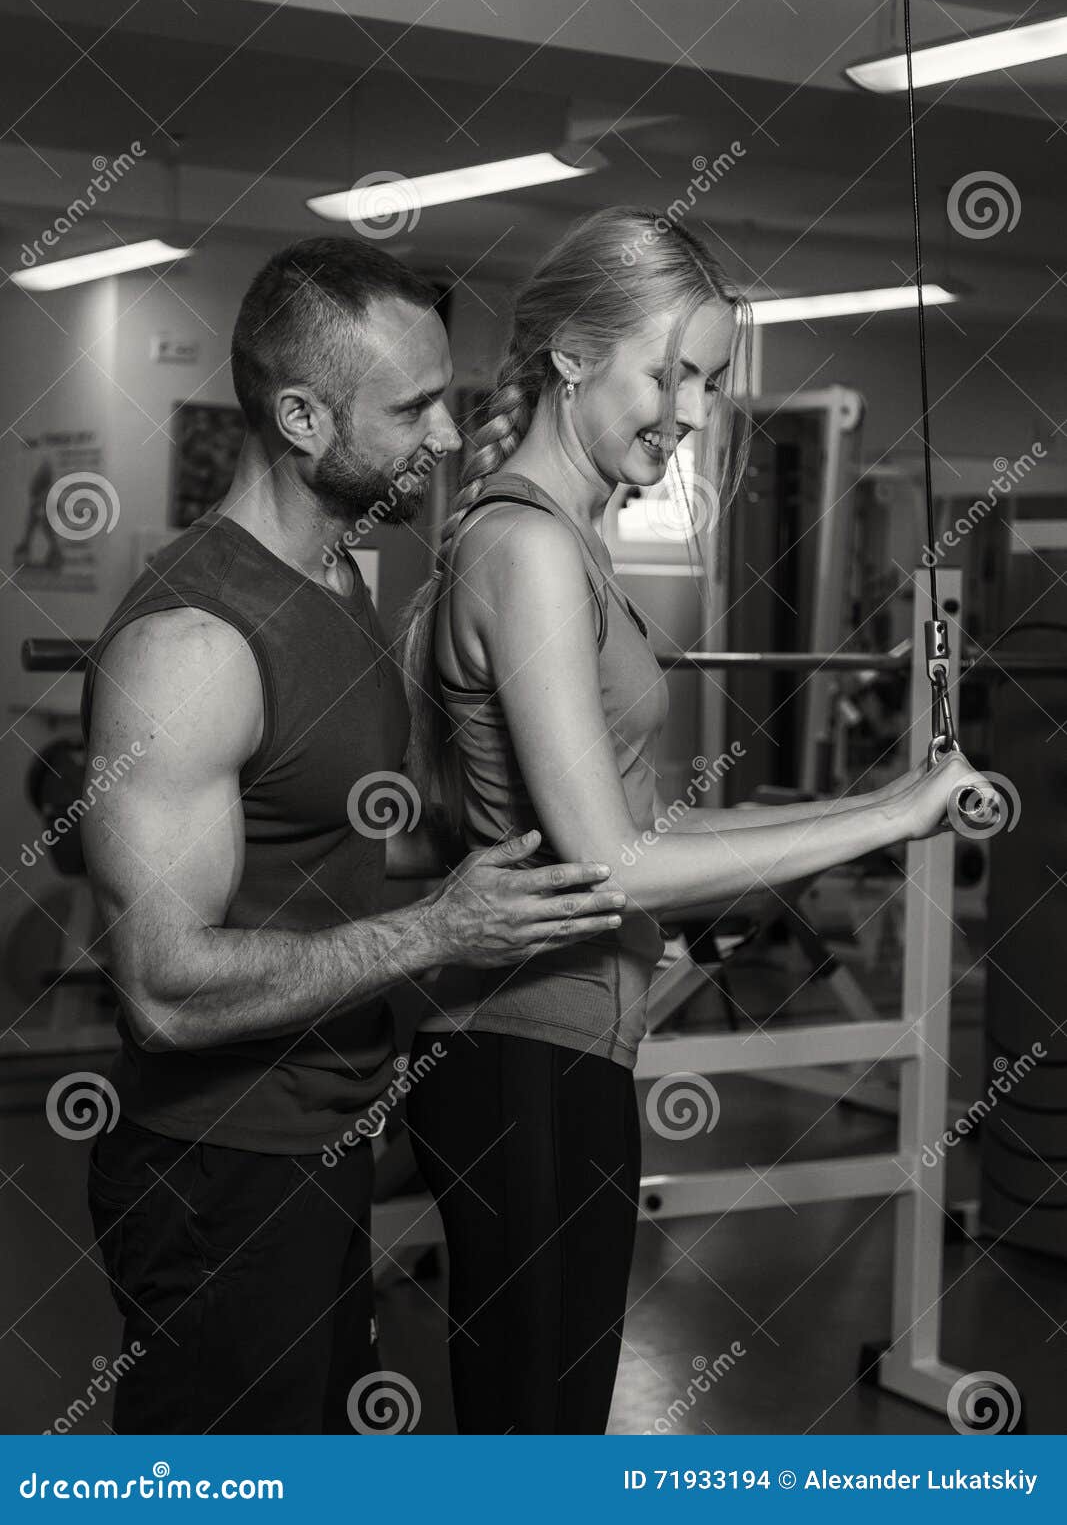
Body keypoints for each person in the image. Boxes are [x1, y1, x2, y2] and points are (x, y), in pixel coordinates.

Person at [399, 205, 996, 1435]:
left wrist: (891, 800)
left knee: (554, 1421)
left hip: (568, 1048)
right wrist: (881, 823)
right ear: (569, 352)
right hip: (519, 1046)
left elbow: (633, 822)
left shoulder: (565, 542)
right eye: (665, 371)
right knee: (530, 1437)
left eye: (708, 380)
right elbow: (610, 861)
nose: (685, 410)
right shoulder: (524, 548)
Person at [78, 236, 627, 1434]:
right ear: (300, 417)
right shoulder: (191, 646)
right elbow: (165, 991)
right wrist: (437, 928)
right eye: (414, 407)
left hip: (325, 1147)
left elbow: (334, 854)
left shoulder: (340, 580)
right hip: (218, 1171)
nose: (443, 438)